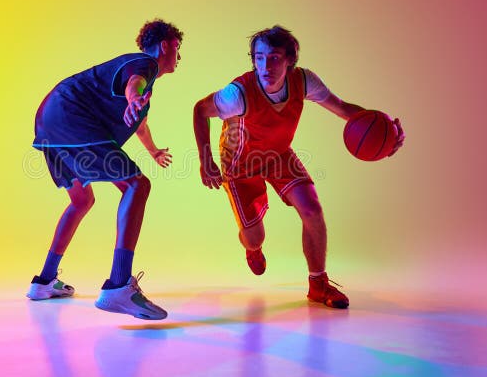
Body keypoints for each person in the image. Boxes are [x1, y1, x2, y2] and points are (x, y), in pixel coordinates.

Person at [193, 26, 404, 309]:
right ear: (253, 60)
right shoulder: (238, 94)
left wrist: (386, 127)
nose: (266, 65)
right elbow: (199, 110)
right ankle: (252, 248)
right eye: (259, 57)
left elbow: (343, 109)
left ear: (290, 59)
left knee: (312, 210)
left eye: (275, 57)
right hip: (240, 164)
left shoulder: (304, 81)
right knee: (254, 238)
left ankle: (318, 284)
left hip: (279, 155)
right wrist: (205, 160)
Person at [27, 19, 183, 320]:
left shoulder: (138, 79)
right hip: (71, 116)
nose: (178, 57)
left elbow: (140, 123)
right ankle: (119, 285)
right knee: (137, 185)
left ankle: (44, 282)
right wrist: (134, 96)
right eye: (177, 50)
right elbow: (133, 83)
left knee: (82, 201)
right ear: (165, 46)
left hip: (50, 123)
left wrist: (153, 150)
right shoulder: (144, 65)